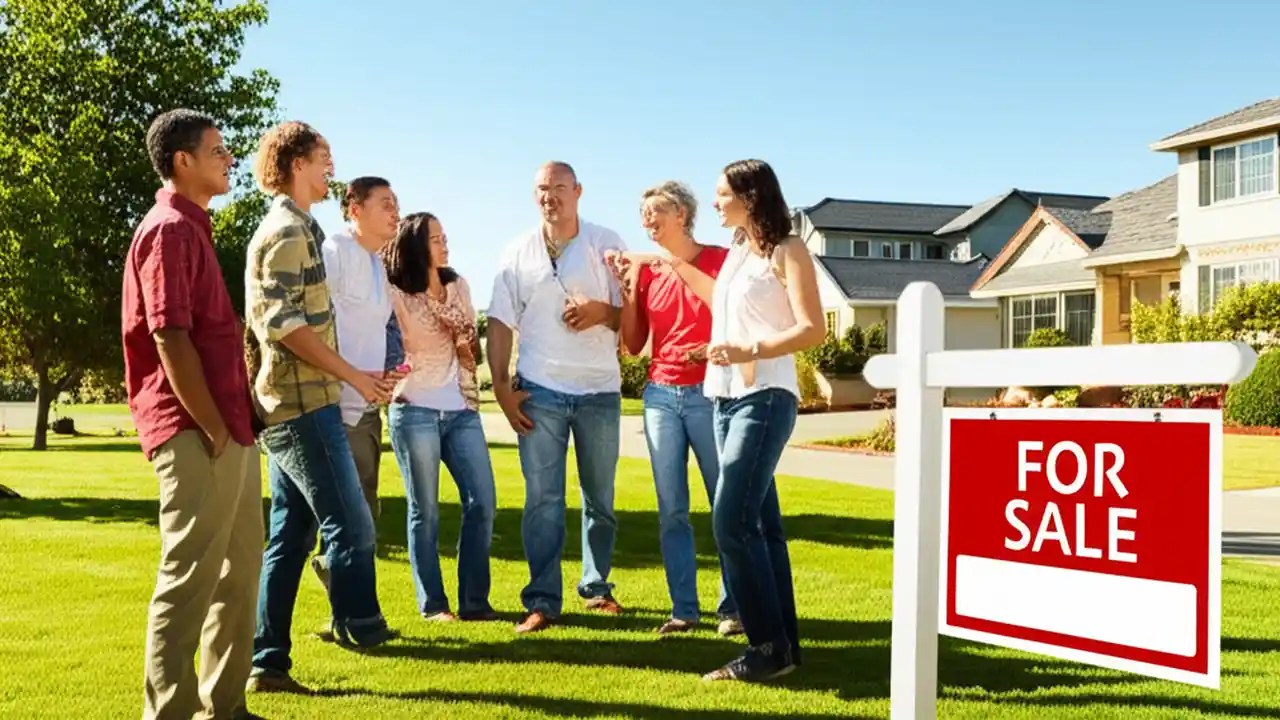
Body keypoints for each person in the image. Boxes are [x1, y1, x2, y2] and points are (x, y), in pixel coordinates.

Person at [243, 121, 400, 695]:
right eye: (322, 157)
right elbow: (282, 325)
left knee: (289, 539)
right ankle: (361, 623)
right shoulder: (288, 231)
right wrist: (352, 374)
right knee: (352, 523)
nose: (330, 167)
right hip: (304, 406)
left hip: (298, 405)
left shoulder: (301, 227)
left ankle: (268, 664)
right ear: (295, 163)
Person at [122, 108, 264, 720]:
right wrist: (208, 425)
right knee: (189, 581)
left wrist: (235, 420)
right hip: (194, 429)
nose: (229, 159)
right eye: (217, 150)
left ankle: (224, 708)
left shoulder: (194, 227)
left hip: (228, 426)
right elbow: (169, 336)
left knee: (239, 574)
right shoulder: (169, 230)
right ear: (183, 161)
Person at [659, 159, 824, 681]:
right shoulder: (734, 253)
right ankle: (785, 647)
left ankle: (764, 649)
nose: (714, 203)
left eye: (721, 194)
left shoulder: (788, 249)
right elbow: (725, 305)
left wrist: (746, 347)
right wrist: (710, 347)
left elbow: (812, 328)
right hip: (725, 399)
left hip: (766, 398)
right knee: (763, 527)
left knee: (731, 520)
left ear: (750, 197)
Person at [486, 161, 628, 634]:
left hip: (599, 390)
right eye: (543, 189)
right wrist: (503, 390)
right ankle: (543, 600)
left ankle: (596, 587)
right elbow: (500, 324)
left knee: (600, 498)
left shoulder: (606, 244)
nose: (551, 196)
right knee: (542, 499)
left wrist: (600, 311)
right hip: (541, 389)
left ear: (578, 191)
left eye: (560, 187)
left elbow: (633, 320)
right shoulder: (516, 252)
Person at [610, 181, 740, 636]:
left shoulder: (720, 259)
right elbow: (631, 345)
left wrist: (668, 263)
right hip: (661, 395)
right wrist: (628, 288)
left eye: (656, 211)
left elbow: (725, 309)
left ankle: (734, 608)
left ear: (683, 214)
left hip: (710, 392)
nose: (647, 220)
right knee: (672, 510)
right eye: (643, 213)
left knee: (724, 503)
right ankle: (684, 609)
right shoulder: (648, 273)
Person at [383, 211, 499, 623]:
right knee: (425, 509)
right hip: (414, 407)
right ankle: (433, 604)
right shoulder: (396, 292)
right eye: (435, 238)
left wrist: (465, 336)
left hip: (461, 409)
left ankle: (474, 602)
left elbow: (471, 344)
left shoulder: (458, 285)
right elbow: (389, 345)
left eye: (444, 236)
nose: (444, 243)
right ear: (415, 245)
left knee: (483, 501)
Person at [311, 176, 403, 591]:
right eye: (385, 204)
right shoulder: (336, 251)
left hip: (365, 409)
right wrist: (347, 377)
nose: (395, 213)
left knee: (365, 509)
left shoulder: (377, 262)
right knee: (348, 516)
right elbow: (311, 324)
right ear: (354, 209)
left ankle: (344, 594)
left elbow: (377, 330)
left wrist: (390, 371)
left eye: (396, 204)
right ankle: (352, 611)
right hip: (331, 406)